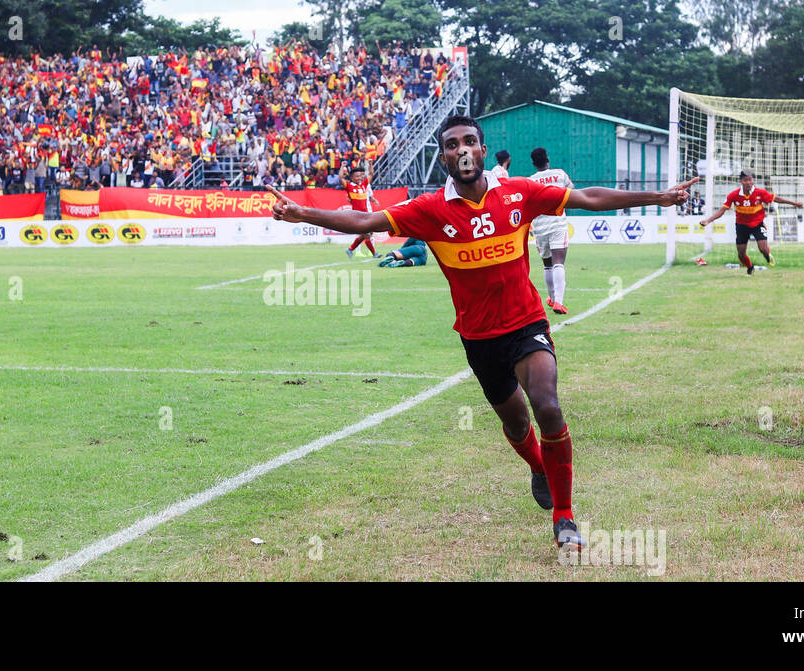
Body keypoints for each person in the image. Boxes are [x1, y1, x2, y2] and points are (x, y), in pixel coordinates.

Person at [267, 115, 697, 551]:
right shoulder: (428, 210)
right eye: (452, 144)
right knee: (516, 423)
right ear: (444, 156)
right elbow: (365, 222)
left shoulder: (520, 192)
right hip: (478, 338)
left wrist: (657, 196)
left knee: (547, 405)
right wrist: (301, 212)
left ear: (483, 149)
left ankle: (565, 517)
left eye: (470, 141)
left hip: (527, 324)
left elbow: (587, 196)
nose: (463, 149)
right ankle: (538, 467)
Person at [699, 170, 803, 275]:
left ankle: (768, 256)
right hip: (741, 226)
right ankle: (750, 267)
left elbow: (776, 199)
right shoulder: (734, 195)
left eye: (750, 180)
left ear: (753, 181)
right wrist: (708, 221)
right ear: (741, 181)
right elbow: (722, 210)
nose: (748, 182)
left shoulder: (760, 193)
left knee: (763, 248)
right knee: (741, 254)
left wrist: (794, 203)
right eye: (745, 180)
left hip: (757, 224)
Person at [530, 148, 574, 314]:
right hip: (557, 223)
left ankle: (552, 299)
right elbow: (571, 191)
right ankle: (559, 303)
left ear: (534, 163)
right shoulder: (560, 174)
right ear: (547, 159)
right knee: (558, 262)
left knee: (547, 265)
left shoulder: (531, 181)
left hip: (539, 226)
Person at [339, 164, 381, 258]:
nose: (359, 178)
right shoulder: (349, 187)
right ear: (352, 178)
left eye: (360, 176)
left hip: (366, 215)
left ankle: (350, 249)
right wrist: (342, 167)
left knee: (364, 235)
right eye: (357, 176)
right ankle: (374, 254)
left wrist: (370, 164)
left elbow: (371, 174)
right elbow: (341, 178)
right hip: (357, 216)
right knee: (366, 235)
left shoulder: (364, 185)